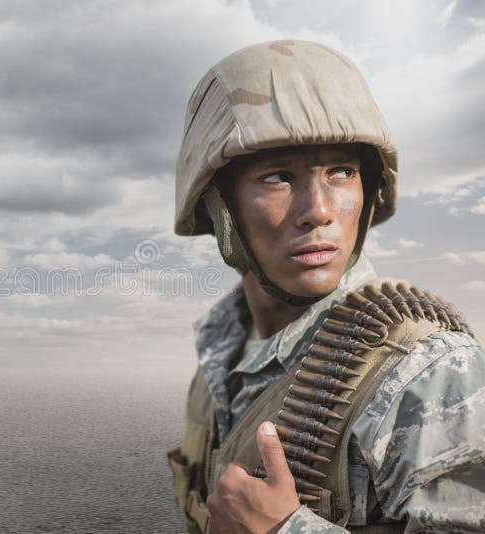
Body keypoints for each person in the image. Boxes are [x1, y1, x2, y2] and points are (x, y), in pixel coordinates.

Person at [167, 40, 485, 533]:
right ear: (219, 206)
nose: (319, 209)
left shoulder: (429, 371)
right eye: (276, 177)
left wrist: (285, 529)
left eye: (342, 171)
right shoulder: (220, 353)